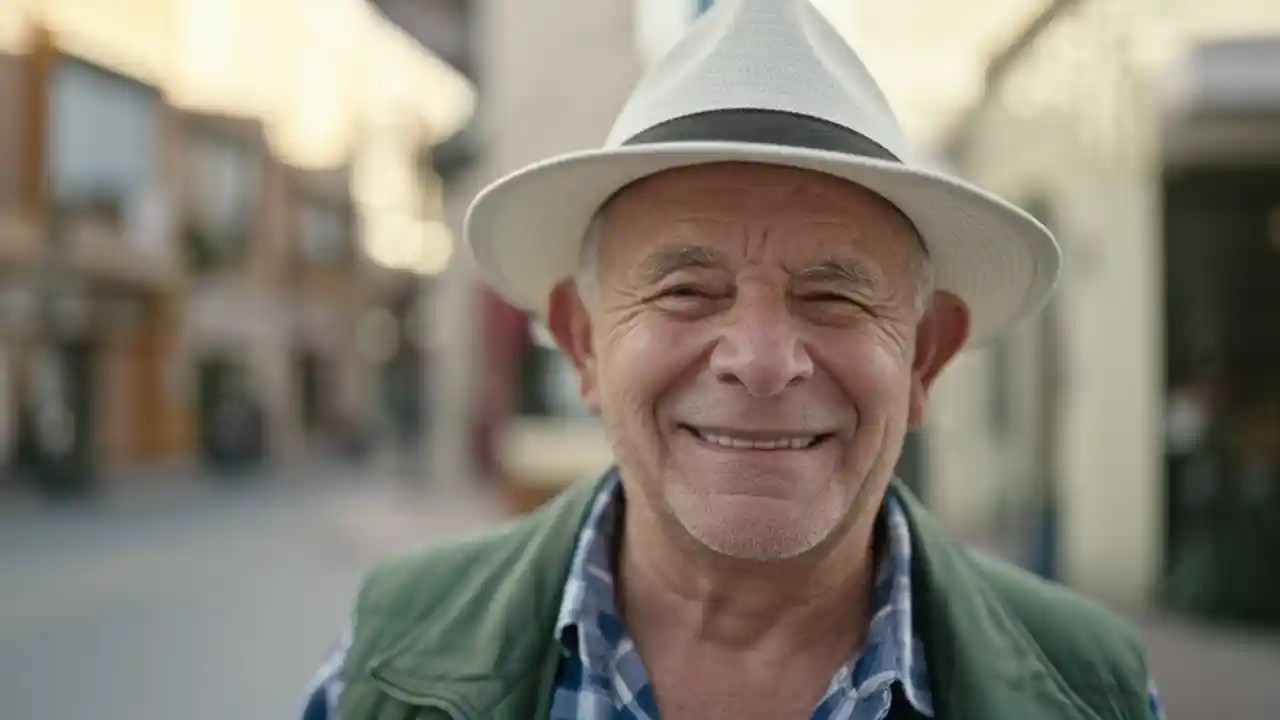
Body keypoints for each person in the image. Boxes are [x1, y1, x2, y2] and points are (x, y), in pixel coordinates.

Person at [305, 1, 1165, 717]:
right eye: (686, 289)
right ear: (585, 342)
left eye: (833, 297)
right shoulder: (392, 659)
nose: (760, 362)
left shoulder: (1096, 691)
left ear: (924, 361)